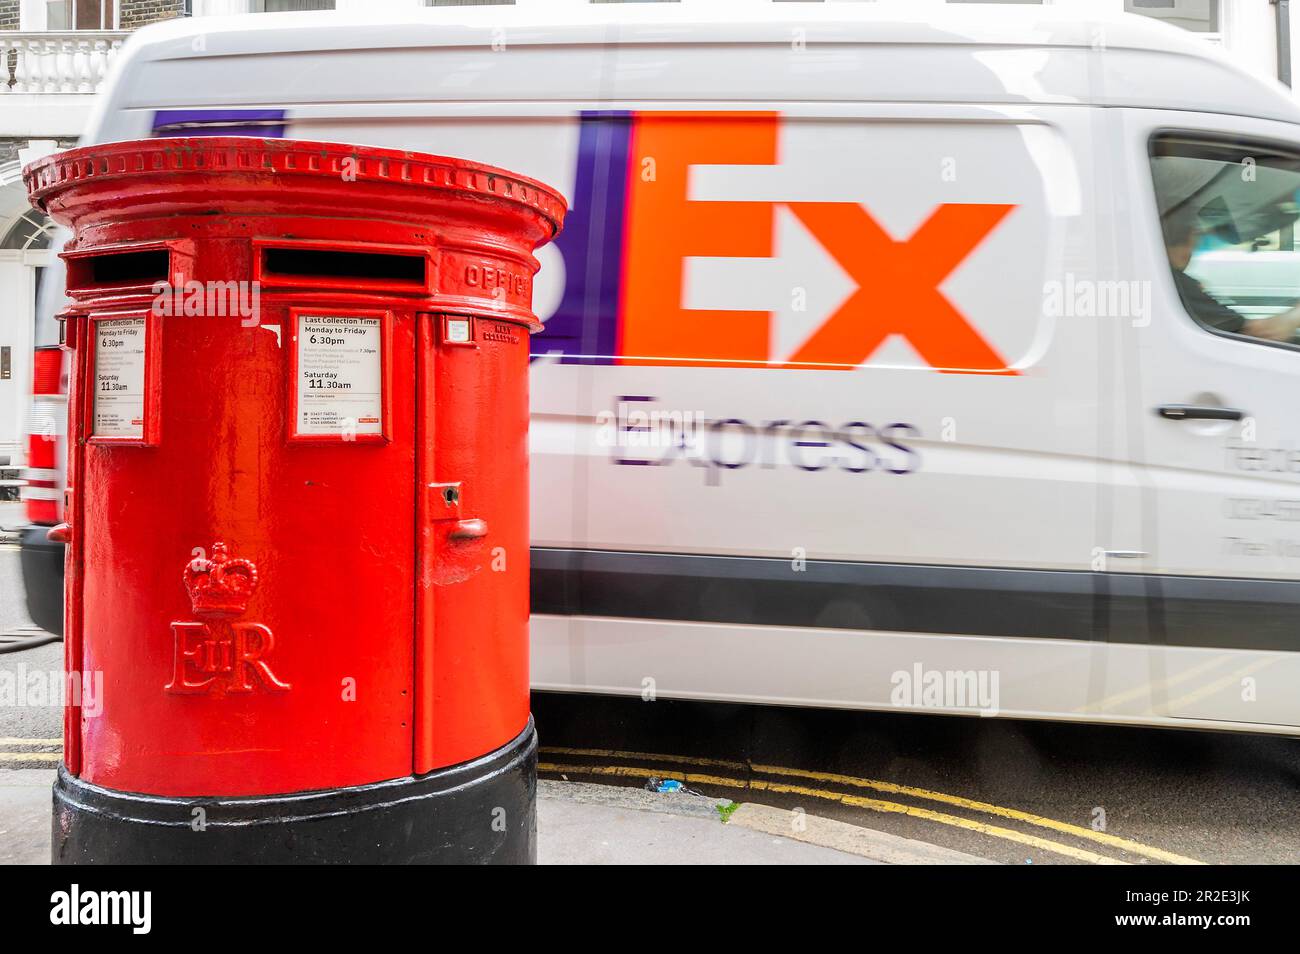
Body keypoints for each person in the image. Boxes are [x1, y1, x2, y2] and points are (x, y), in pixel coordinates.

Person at [1163, 206, 1300, 342]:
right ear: (1191, 236)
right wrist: (1289, 320)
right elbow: (1254, 333)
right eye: (1199, 234)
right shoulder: (1179, 287)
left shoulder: (1165, 283)